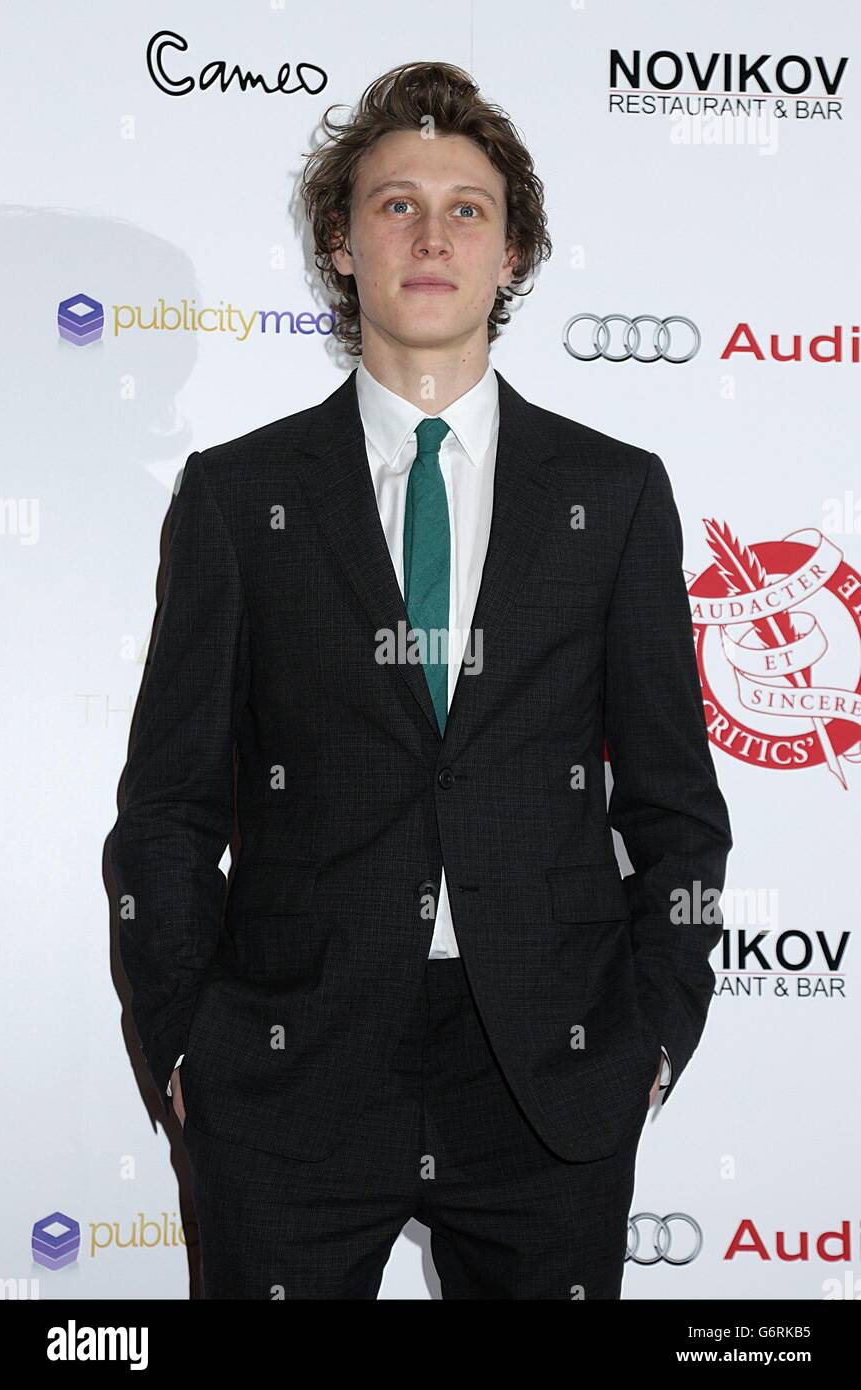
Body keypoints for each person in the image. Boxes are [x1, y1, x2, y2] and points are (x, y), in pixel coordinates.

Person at [110, 60, 732, 1300]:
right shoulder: (239, 499)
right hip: (291, 1063)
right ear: (342, 247)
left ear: (514, 254)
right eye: (396, 205)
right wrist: (179, 1036)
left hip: (548, 1071)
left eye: (469, 208)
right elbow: (169, 808)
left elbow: (675, 808)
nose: (432, 234)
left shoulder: (613, 497)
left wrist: (655, 1035)